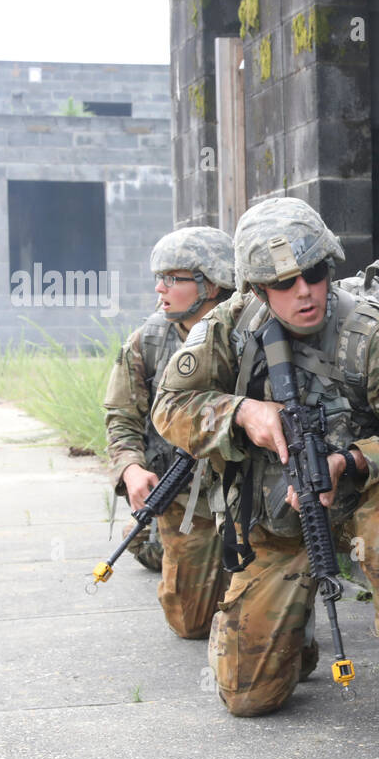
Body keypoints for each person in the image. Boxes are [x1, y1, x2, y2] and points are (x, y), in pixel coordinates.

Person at [150, 197, 379, 748]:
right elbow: (168, 408)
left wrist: (355, 461)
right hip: (276, 515)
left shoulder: (377, 335)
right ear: (255, 290)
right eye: (284, 282)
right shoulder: (228, 329)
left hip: (362, 501)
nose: (305, 293)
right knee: (247, 698)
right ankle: (291, 638)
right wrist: (241, 413)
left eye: (314, 275)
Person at [103, 227, 237, 643]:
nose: (159, 289)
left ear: (211, 283)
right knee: (191, 623)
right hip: (181, 491)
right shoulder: (150, 340)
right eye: (159, 278)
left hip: (243, 490)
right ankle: (150, 538)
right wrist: (131, 470)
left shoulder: (251, 331)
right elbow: (122, 415)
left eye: (174, 279)